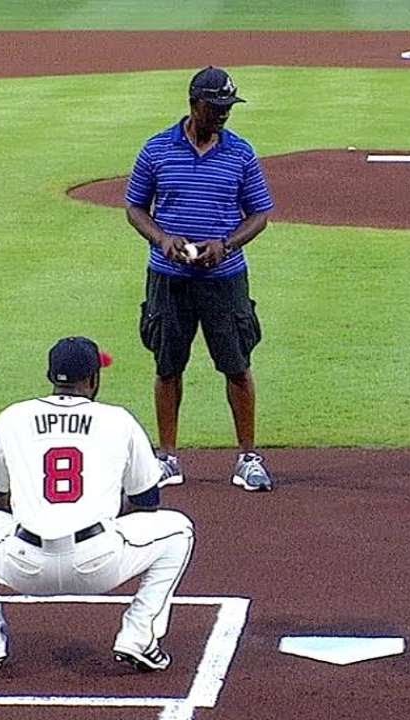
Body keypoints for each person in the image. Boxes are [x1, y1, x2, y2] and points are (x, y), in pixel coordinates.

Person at [0, 336, 195, 674]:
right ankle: (139, 636)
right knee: (178, 530)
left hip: (24, 566)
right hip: (100, 565)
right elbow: (147, 502)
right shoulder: (118, 420)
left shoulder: (14, 417)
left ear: (50, 375)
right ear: (93, 379)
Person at [125, 66, 275, 492]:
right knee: (168, 365)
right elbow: (135, 207)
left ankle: (248, 456)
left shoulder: (240, 153)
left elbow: (260, 212)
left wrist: (225, 245)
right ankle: (168, 457)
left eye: (229, 107)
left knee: (237, 366)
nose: (224, 115)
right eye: (217, 107)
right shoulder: (157, 149)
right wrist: (162, 238)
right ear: (194, 104)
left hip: (224, 278)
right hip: (169, 277)